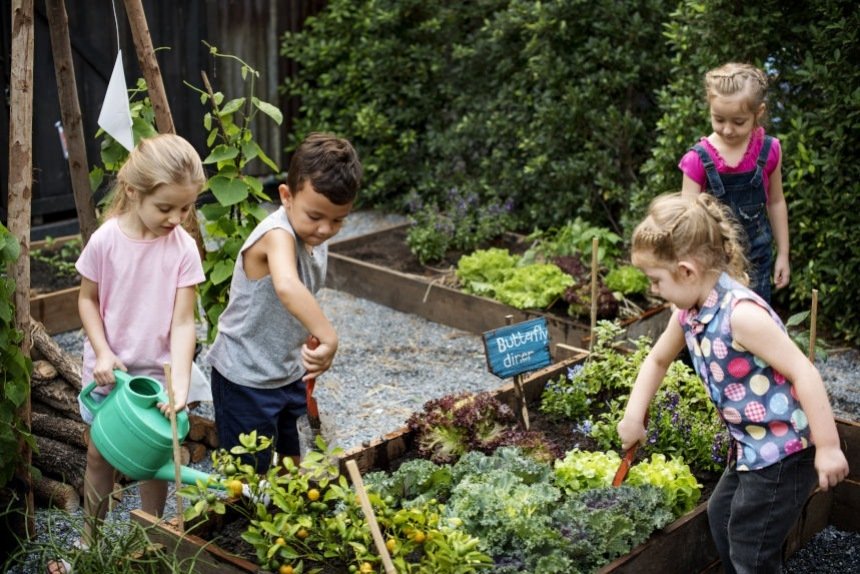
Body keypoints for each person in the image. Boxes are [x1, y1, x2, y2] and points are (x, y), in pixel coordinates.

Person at [617, 192, 849, 574]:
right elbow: (657, 359)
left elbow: (803, 371)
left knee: (750, 545)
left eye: (656, 280)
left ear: (686, 271)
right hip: (752, 445)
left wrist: (828, 447)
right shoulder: (688, 313)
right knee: (722, 514)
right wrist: (632, 415)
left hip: (785, 449)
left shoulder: (741, 316)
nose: (654, 290)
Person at [46, 134, 207, 574]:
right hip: (109, 375)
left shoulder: (183, 249)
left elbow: (183, 323)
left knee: (154, 461)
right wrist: (102, 352)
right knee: (99, 457)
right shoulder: (106, 241)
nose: (176, 219)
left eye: (186, 209)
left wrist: (179, 385)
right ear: (134, 192)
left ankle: (152, 540)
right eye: (166, 207)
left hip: (157, 376)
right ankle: (89, 540)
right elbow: (87, 301)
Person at [206, 132, 362, 472]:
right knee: (249, 474)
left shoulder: (313, 235)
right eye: (315, 216)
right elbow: (288, 287)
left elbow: (301, 298)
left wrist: (307, 337)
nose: (325, 229)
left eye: (337, 220)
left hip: (287, 372)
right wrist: (329, 336)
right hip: (245, 377)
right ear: (286, 196)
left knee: (297, 457)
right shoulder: (276, 235)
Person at [679, 62, 788, 303]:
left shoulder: (770, 150)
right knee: (716, 321)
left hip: (757, 260)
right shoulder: (698, 159)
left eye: (738, 122)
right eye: (719, 119)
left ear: (758, 112)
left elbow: (776, 202)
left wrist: (783, 253)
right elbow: (688, 220)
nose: (727, 130)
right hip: (712, 264)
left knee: (753, 318)